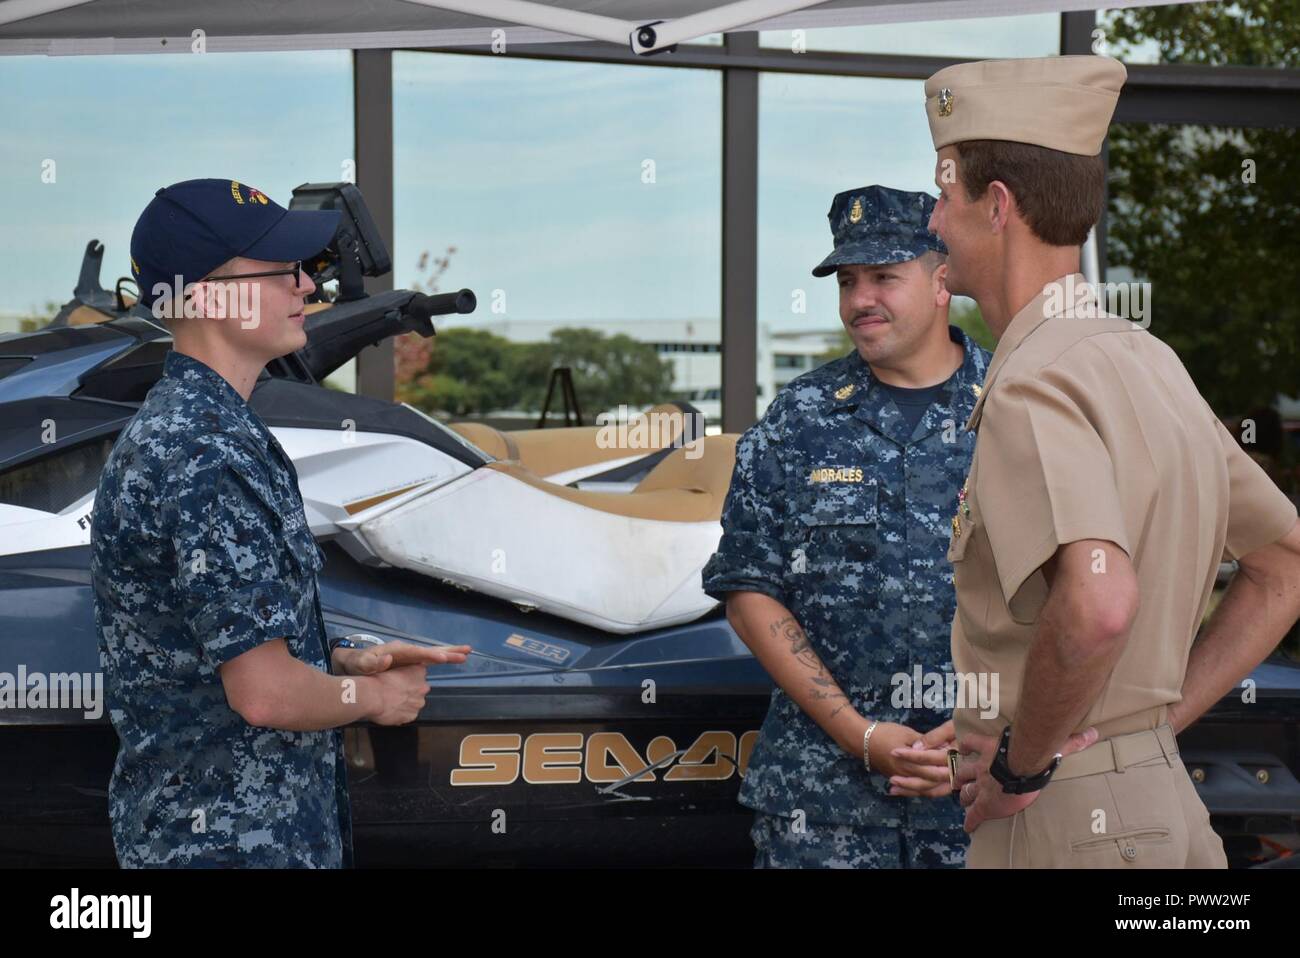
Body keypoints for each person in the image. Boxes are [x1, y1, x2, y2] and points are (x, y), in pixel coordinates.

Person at [923, 56, 1300, 867]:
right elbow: (1284, 565)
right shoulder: (1150, 361)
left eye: (944, 194)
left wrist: (1027, 760)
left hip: (1061, 819)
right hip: (1159, 801)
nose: (931, 221)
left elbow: (1098, 603)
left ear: (997, 207)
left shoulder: (1030, 383)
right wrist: (1149, 728)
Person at [90, 178, 470, 867]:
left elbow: (214, 650)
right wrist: (374, 697)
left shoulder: (210, 432)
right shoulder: (203, 450)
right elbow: (264, 695)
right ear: (205, 295)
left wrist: (341, 659)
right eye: (283, 272)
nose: (307, 287)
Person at [702, 185, 991, 868]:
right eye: (848, 280)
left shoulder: (1015, 403)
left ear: (942, 277)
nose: (861, 299)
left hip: (988, 796)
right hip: (822, 808)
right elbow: (749, 589)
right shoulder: (801, 417)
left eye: (885, 277)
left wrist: (995, 736)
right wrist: (858, 733)